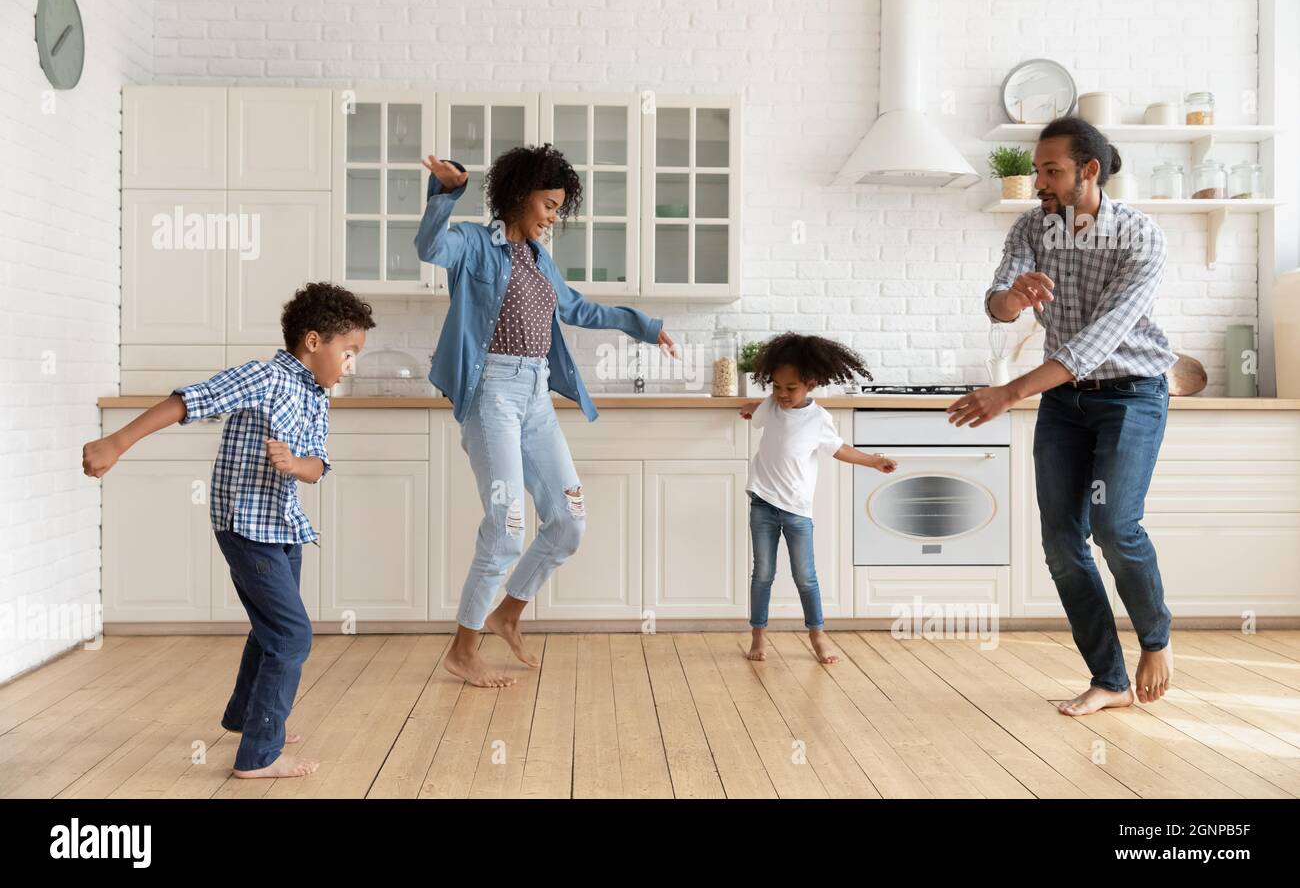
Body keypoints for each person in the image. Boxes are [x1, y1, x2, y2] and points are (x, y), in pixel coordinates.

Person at [82, 282, 375, 775]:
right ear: (312, 342)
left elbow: (319, 466)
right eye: (348, 352)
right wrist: (116, 442)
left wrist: (293, 462)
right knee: (293, 635)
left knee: (270, 631)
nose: (351, 364)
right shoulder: (262, 378)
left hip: (282, 527)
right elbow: (188, 401)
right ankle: (259, 756)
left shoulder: (317, 396)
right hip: (244, 526)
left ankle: (248, 718)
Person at [415, 144, 678, 688]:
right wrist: (446, 192)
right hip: (491, 394)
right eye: (549, 205)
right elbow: (428, 245)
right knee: (508, 527)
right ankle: (463, 649)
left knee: (569, 522)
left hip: (536, 398)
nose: (554, 217)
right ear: (518, 196)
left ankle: (507, 613)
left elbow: (578, 308)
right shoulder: (472, 244)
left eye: (560, 208)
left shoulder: (539, 258)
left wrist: (644, 326)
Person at [947, 117, 1177, 717]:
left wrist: (1006, 393)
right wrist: (1012, 299)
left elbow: (1096, 343)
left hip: (1130, 394)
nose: (1040, 181)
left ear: (1089, 170)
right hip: (1064, 404)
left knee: (1114, 527)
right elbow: (995, 304)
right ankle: (1109, 679)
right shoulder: (1032, 225)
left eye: (1052, 170)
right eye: (1038, 169)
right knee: (1061, 543)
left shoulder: (1140, 238)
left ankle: (1155, 640)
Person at [738, 333, 897, 665]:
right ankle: (758, 633)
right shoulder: (771, 405)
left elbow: (838, 449)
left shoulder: (818, 419)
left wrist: (873, 459)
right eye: (776, 387)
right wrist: (752, 407)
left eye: (790, 388)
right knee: (763, 573)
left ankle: (817, 634)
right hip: (763, 504)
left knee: (805, 575)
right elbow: (760, 415)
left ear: (810, 383)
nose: (782, 394)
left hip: (796, 510)